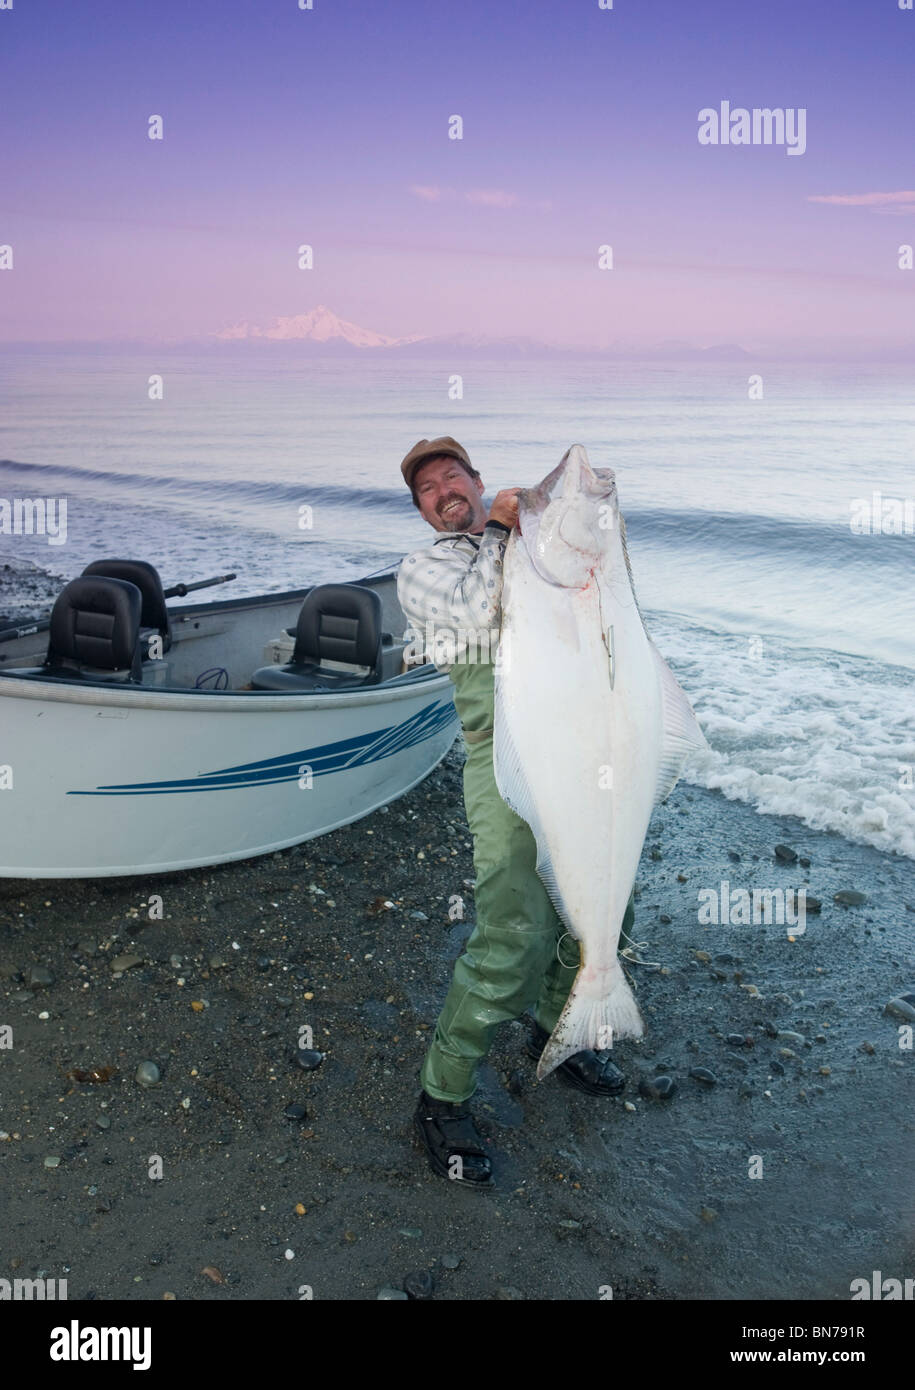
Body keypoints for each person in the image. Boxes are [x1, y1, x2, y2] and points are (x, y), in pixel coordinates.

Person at [396, 436, 637, 1188]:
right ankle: (440, 1099)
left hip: (578, 751)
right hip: (500, 765)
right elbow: (475, 612)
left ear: (477, 479)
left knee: (599, 912)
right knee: (510, 929)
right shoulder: (427, 568)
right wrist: (504, 531)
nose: (443, 491)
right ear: (423, 511)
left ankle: (554, 1024)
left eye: (452, 475)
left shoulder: (530, 549)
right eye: (427, 489)